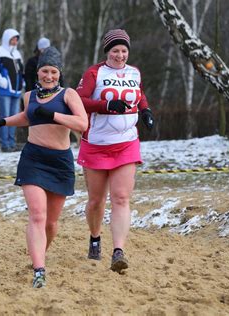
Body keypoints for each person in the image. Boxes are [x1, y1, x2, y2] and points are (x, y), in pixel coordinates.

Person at [0, 47, 88, 288]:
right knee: (37, 215)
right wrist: (4, 122)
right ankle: (39, 270)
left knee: (51, 223)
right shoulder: (29, 96)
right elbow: (27, 117)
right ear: (38, 71)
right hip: (33, 158)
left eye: (54, 71)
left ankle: (39, 253)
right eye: (45, 70)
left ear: (59, 73)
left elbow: (82, 124)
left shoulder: (68, 95)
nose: (49, 76)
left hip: (60, 162)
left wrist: (54, 115)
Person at [75, 29, 154, 273]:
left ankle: (118, 251)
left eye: (123, 51)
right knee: (97, 201)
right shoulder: (94, 73)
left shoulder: (134, 72)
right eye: (115, 51)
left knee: (120, 197)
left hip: (127, 142)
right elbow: (78, 99)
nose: (120, 55)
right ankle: (95, 237)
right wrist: (105, 105)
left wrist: (146, 111)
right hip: (97, 144)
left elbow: (139, 94)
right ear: (107, 52)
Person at [0, 28, 25, 152]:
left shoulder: (17, 54)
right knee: (4, 117)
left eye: (17, 39)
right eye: (13, 38)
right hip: (4, 91)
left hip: (16, 91)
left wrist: (23, 82)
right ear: (7, 39)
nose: (15, 41)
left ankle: (12, 142)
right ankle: (4, 144)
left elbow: (21, 70)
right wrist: (3, 82)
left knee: (15, 117)